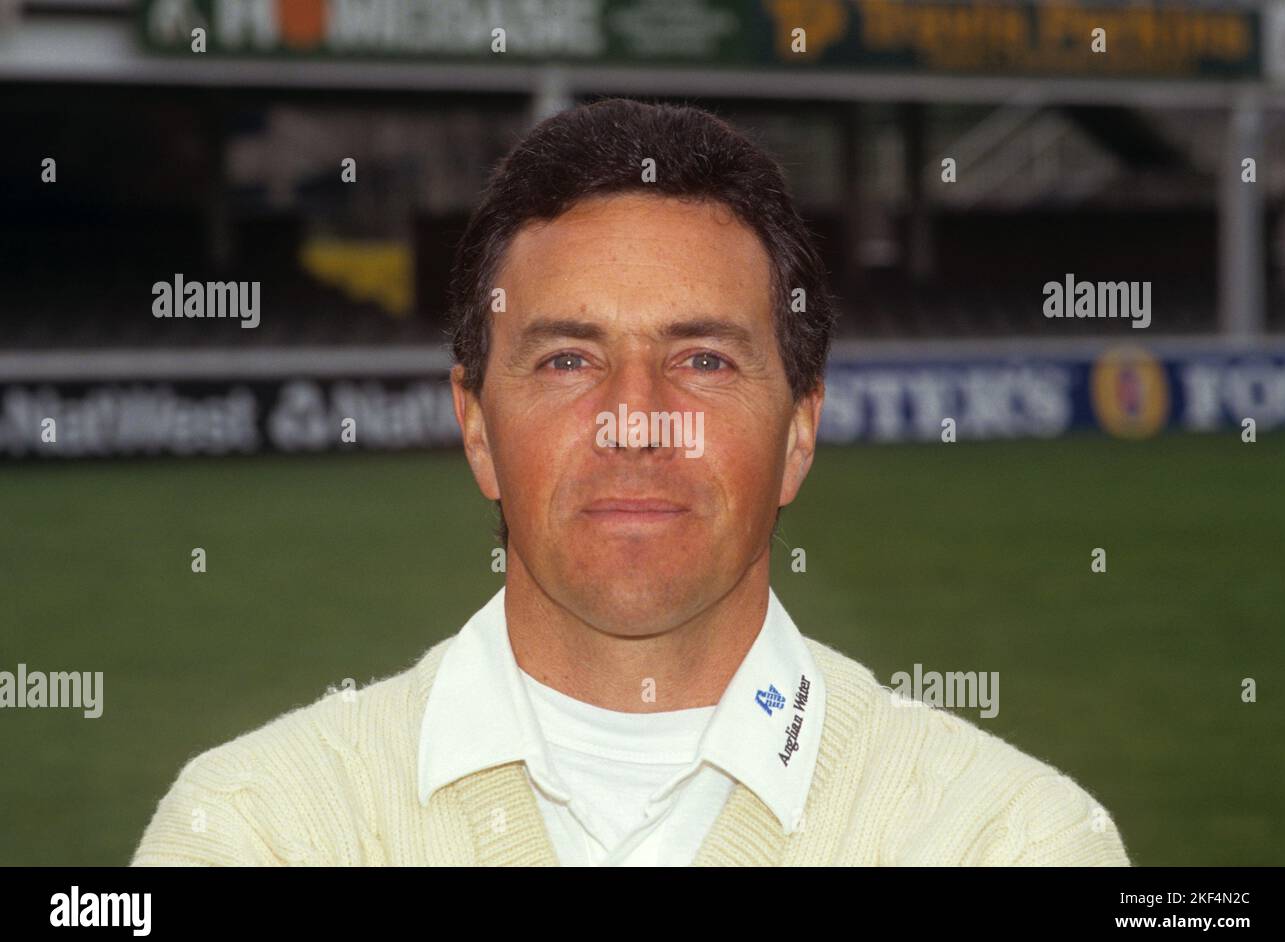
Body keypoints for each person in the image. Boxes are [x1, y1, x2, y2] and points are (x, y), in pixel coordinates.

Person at [132, 98, 1129, 866]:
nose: (634, 419)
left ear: (799, 431)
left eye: (702, 360)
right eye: (568, 360)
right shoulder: (254, 830)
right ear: (475, 424)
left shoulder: (1009, 840)